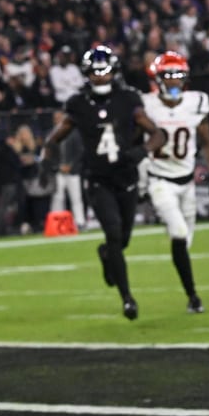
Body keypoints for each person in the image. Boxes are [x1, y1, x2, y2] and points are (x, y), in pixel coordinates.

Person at [40, 45, 165, 320]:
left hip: (126, 177)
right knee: (114, 233)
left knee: (123, 241)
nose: (100, 77)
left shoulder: (128, 99)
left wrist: (138, 153)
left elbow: (158, 135)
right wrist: (46, 163)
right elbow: (54, 139)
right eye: (95, 72)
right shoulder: (78, 104)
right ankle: (128, 298)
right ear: (86, 74)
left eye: (105, 71)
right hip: (98, 179)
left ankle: (107, 254)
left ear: (114, 72)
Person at [141, 51, 209, 314]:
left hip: (187, 184)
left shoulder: (197, 102)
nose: (173, 81)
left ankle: (190, 294)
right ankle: (193, 297)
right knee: (179, 233)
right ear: (158, 77)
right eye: (168, 75)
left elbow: (207, 141)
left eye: (177, 75)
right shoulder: (147, 105)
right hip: (160, 180)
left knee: (185, 243)